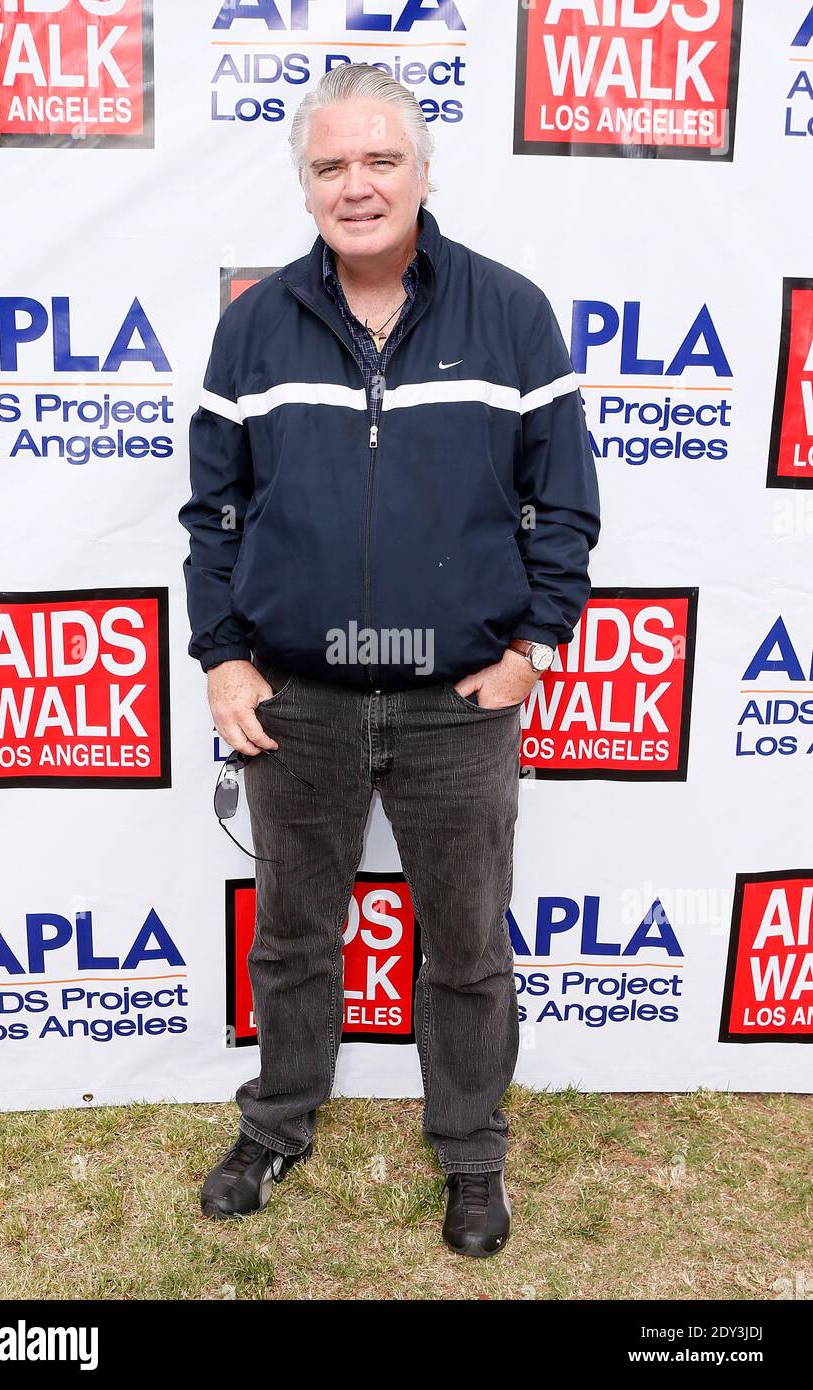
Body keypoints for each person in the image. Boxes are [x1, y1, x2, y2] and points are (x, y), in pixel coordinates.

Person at [178, 64, 600, 1258]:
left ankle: (469, 1150)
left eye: (379, 161)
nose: (355, 185)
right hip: (295, 699)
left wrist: (534, 646)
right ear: (304, 184)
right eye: (329, 166)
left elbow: (559, 502)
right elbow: (212, 515)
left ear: (422, 171)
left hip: (454, 704)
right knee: (292, 935)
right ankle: (276, 1126)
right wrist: (222, 659)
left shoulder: (510, 312)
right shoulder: (253, 326)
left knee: (465, 941)